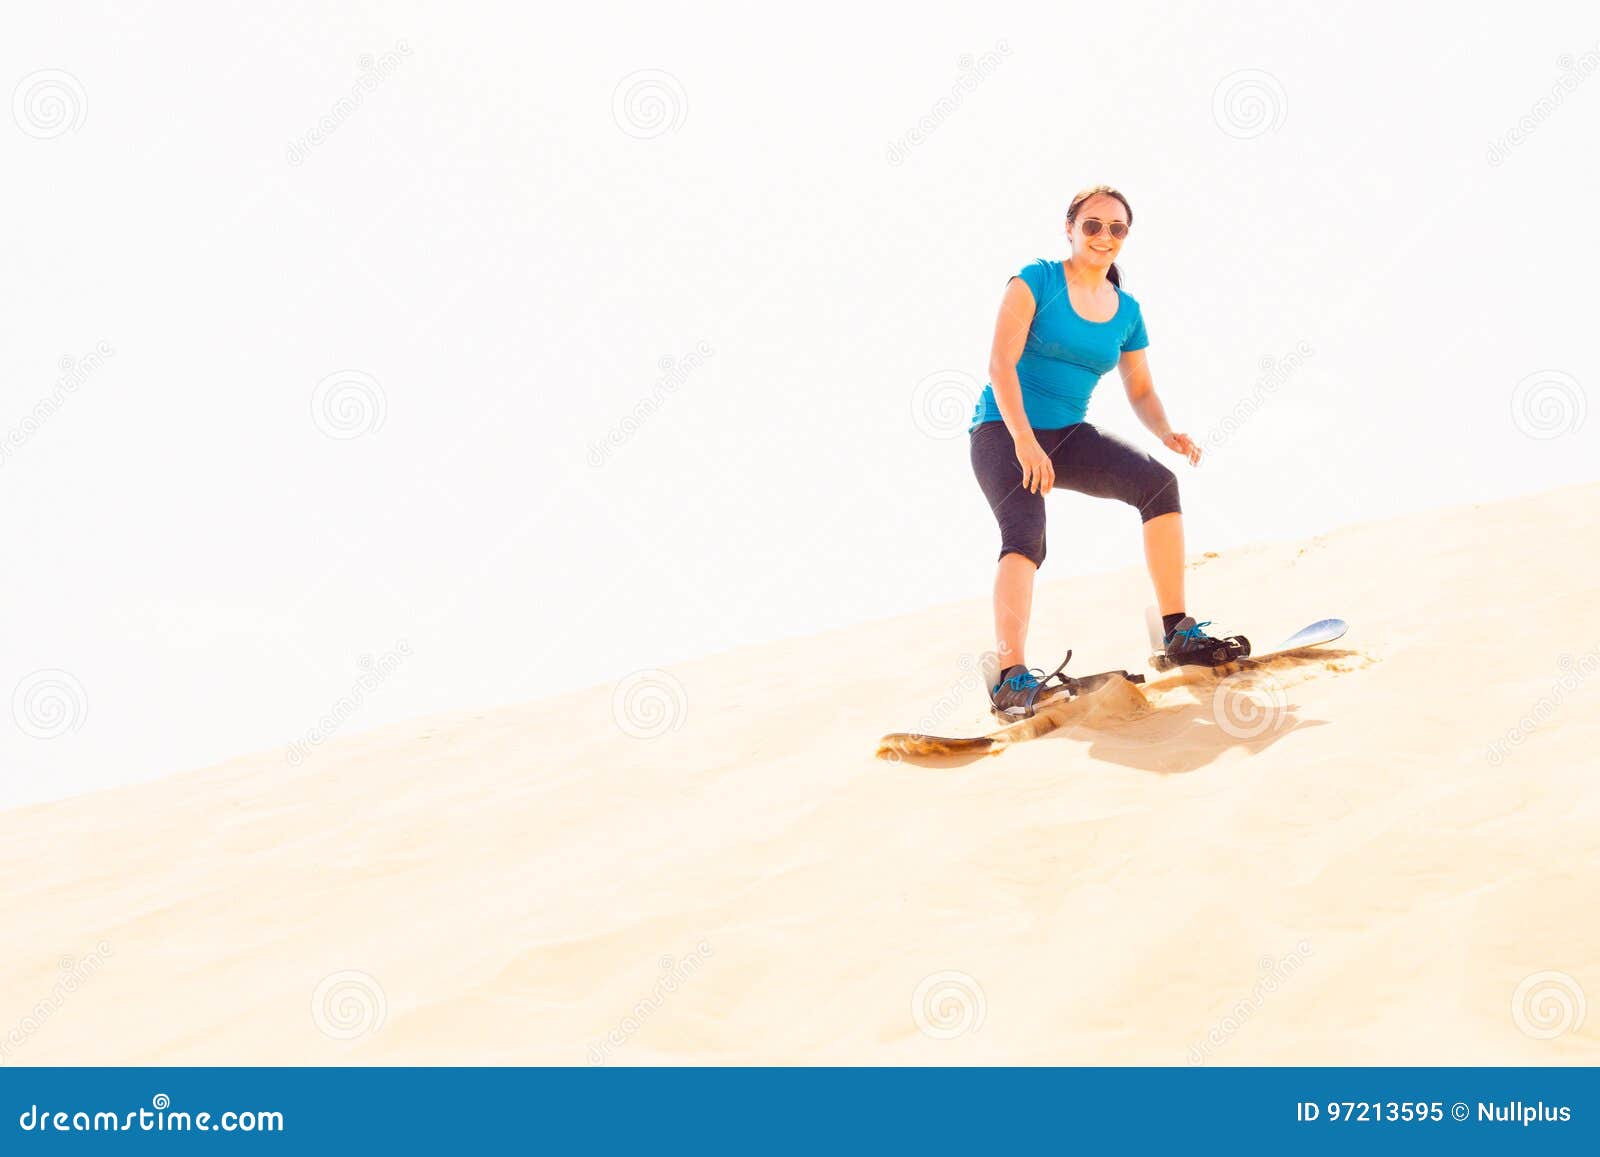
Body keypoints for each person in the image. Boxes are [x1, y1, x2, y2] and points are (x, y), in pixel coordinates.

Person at [969, 184, 1244, 718]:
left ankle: (1177, 633)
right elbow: (1000, 365)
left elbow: (1140, 389)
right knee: (1026, 534)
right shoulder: (1036, 280)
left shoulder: (1127, 311)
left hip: (1068, 435)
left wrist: (1165, 431)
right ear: (1069, 228)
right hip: (1004, 429)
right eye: (1092, 225)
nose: (1104, 236)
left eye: (1117, 228)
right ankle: (1010, 678)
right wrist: (1024, 441)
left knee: (1159, 485)